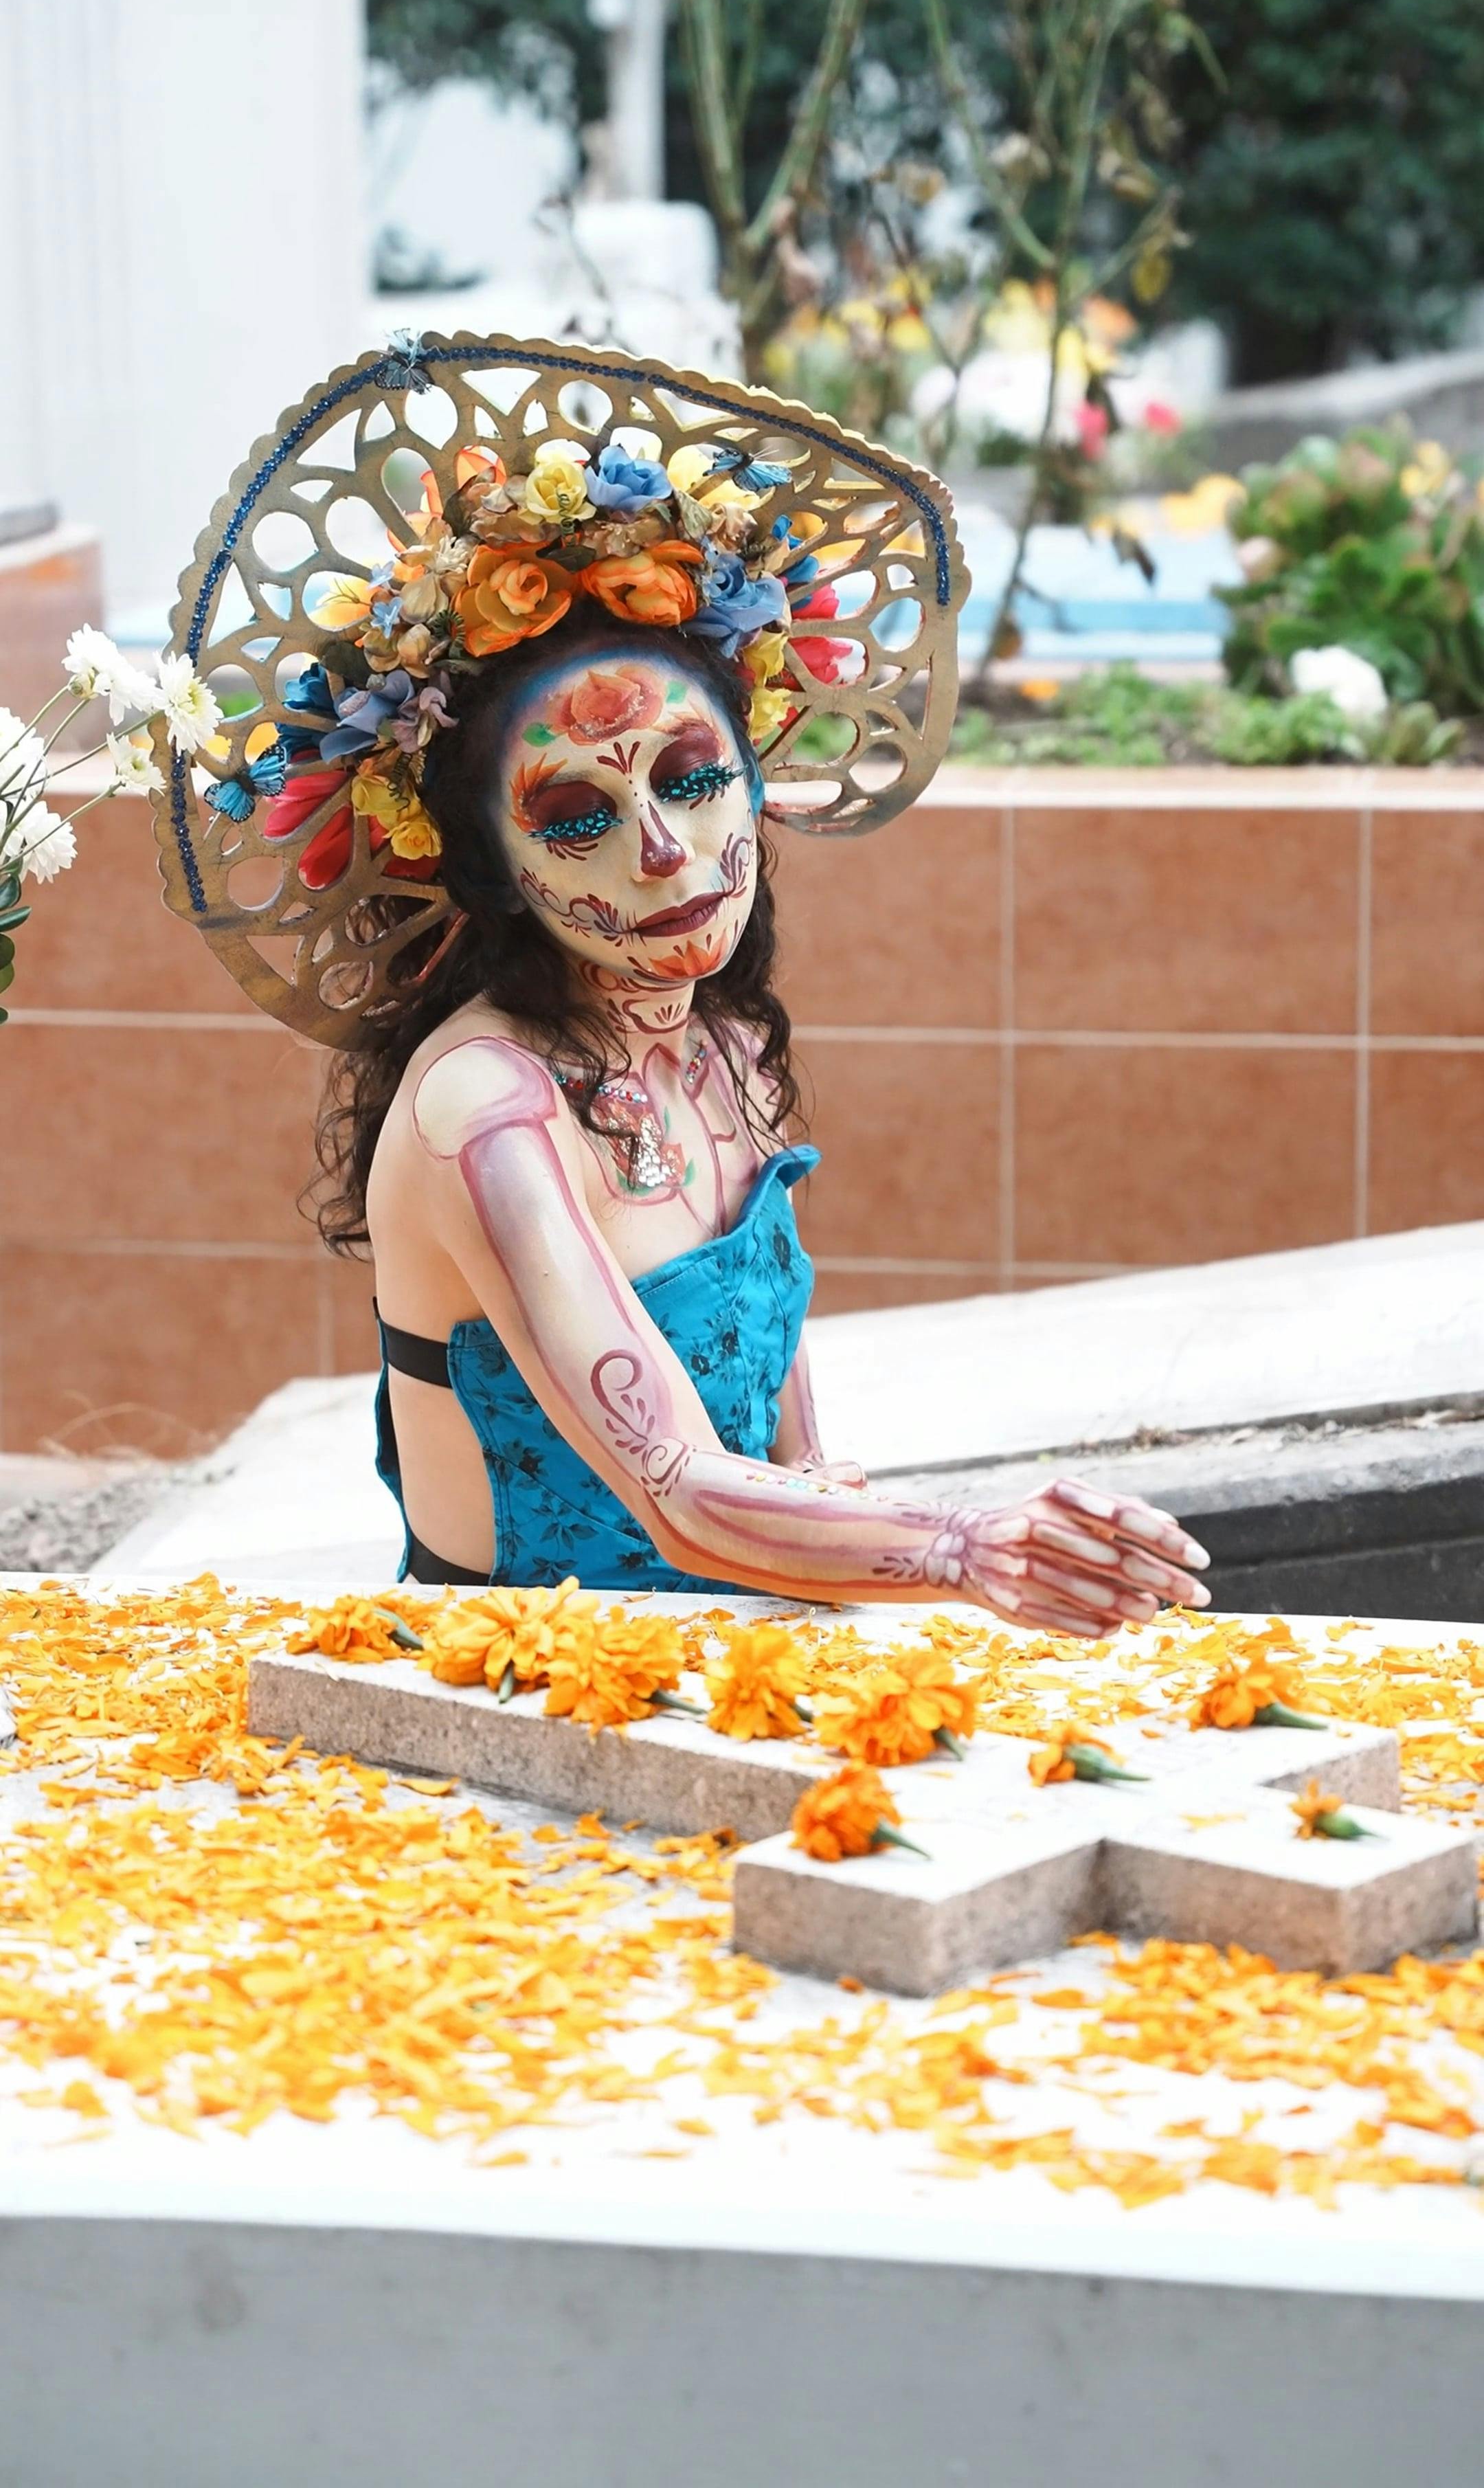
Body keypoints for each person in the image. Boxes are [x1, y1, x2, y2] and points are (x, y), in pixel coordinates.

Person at [159, 330, 1211, 1636]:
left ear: (757, 784)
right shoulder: (485, 1109)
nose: (664, 849)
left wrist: (866, 1582)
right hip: (524, 1686)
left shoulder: (727, 1045)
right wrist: (965, 1548)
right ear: (488, 871)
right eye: (578, 816)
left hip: (745, 1650)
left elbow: (784, 1437)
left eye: (694, 778)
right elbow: (680, 1493)